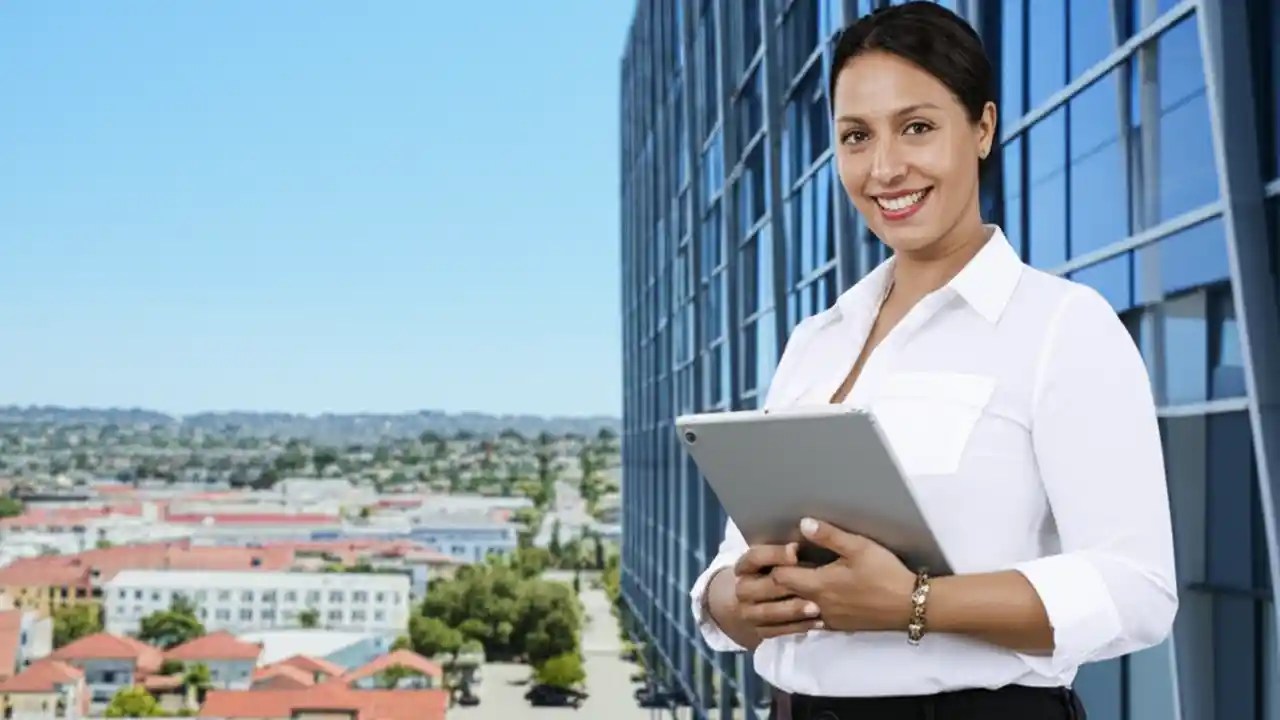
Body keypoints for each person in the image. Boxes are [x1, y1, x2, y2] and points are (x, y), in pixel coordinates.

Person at [688, 3, 1178, 719]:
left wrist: (914, 603)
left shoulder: (1061, 326)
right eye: (857, 136)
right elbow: (734, 567)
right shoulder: (814, 341)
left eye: (916, 127)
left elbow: (1138, 590)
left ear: (981, 128)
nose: (885, 168)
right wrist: (737, 596)